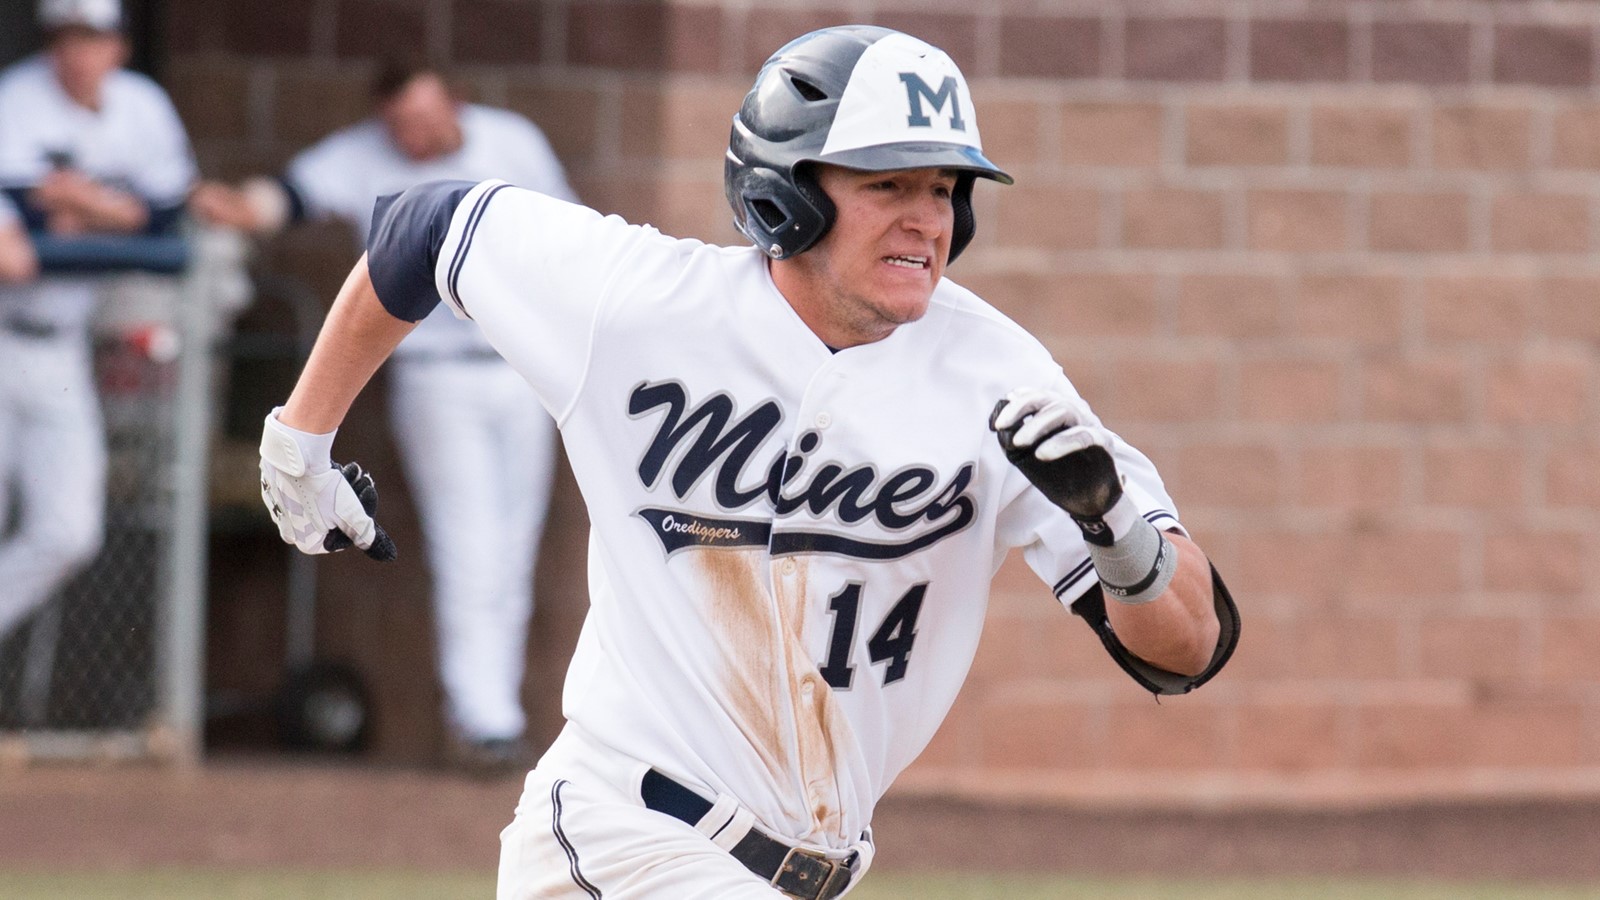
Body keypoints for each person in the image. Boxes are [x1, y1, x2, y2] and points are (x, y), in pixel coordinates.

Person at [257, 25, 1240, 900]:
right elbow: (425, 229)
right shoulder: (644, 304)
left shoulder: (998, 376)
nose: (928, 218)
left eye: (944, 189)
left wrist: (1115, 533)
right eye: (887, 184)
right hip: (626, 838)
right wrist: (300, 442)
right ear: (786, 193)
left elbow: (1188, 649)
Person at [192, 60, 578, 768]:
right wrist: (229, 204)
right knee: (470, 546)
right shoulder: (364, 154)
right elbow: (286, 198)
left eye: (425, 118)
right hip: (435, 376)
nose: (414, 135)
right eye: (401, 124)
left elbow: (569, 234)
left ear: (456, 103)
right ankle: (483, 719)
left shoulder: (510, 139)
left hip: (519, 369)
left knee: (515, 545)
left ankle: (495, 710)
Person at [0, 0, 195, 645]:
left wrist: (78, 202)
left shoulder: (140, 106)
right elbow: (24, 212)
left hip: (60, 346)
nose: (77, 53)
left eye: (91, 38)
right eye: (66, 38)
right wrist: (109, 210)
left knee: (68, 532)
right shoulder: (17, 98)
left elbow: (165, 212)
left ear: (118, 46)